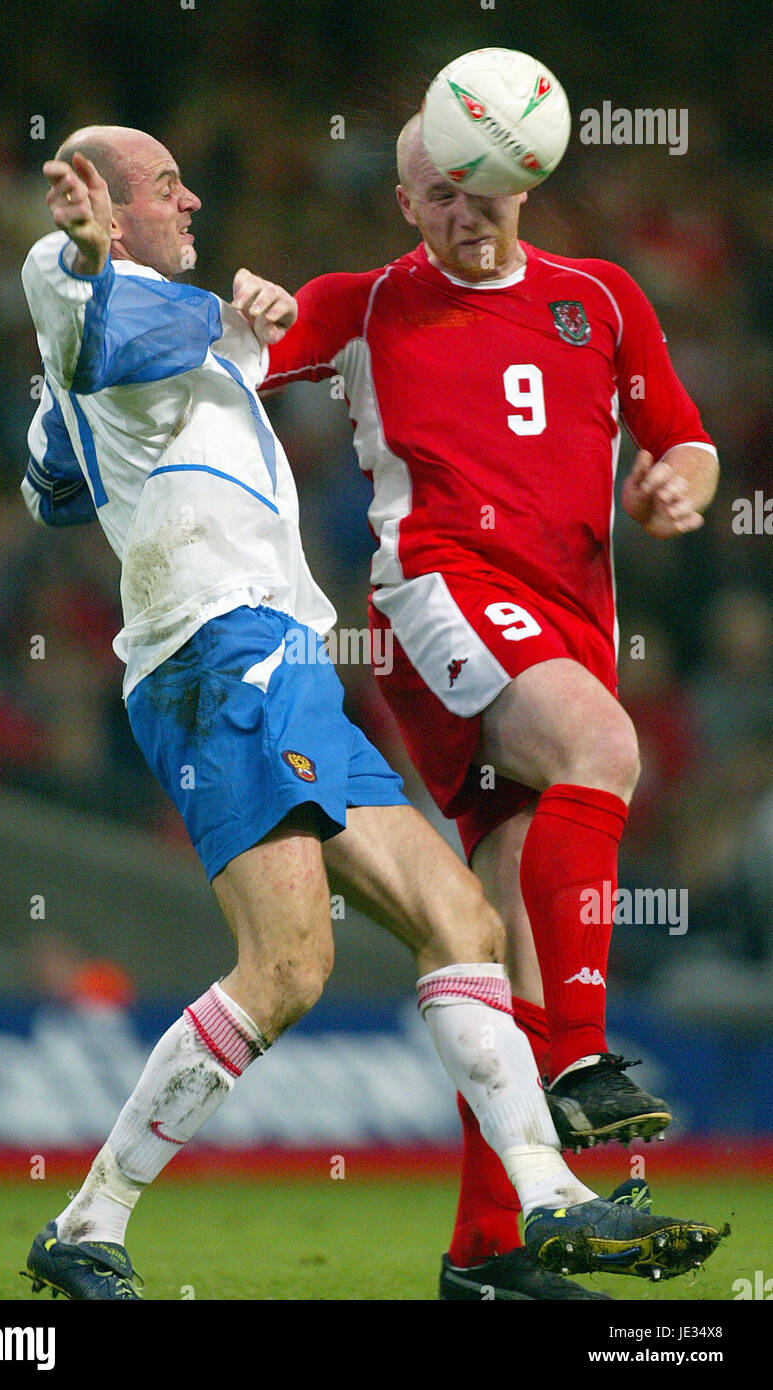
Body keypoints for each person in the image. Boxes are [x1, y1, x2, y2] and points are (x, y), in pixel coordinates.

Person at [16, 125, 723, 1301]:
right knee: (289, 966)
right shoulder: (74, 278)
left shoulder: (154, 323)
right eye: (161, 184)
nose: (192, 196)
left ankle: (538, 1208)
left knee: (464, 924)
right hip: (214, 647)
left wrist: (97, 414)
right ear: (102, 205)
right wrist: (203, 312)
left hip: (280, 651)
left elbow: (50, 479)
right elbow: (100, 339)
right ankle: (90, 1219)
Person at [256, 110, 720, 1300]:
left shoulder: (601, 297)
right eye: (440, 195)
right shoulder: (361, 304)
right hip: (439, 596)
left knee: (504, 935)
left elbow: (683, 433)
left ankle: (487, 1253)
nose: (467, 212)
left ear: (523, 179)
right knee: (601, 745)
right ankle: (576, 1063)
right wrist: (236, 316)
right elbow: (228, 358)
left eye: (485, 189)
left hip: (570, 623)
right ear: (407, 204)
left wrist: (682, 481)